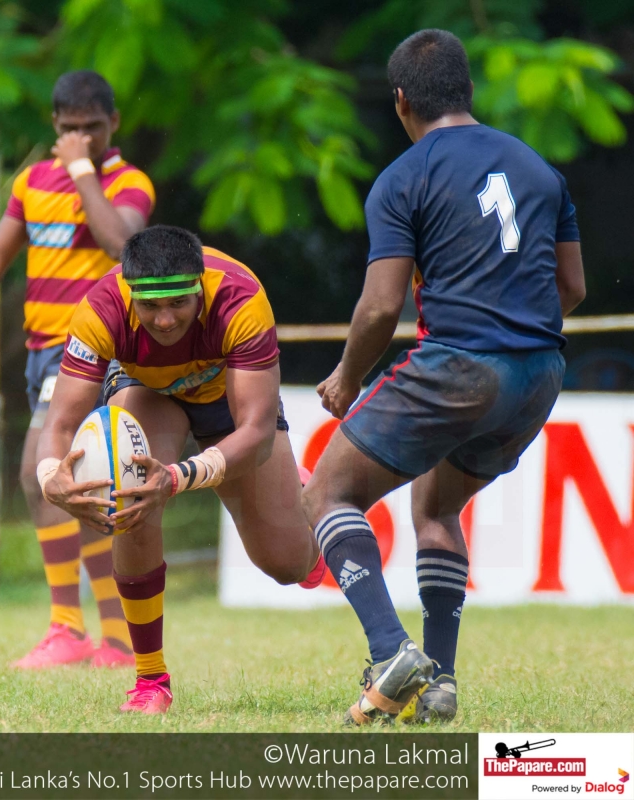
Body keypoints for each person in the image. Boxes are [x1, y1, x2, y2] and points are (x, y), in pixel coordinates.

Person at [301, 29, 586, 725]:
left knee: (328, 494)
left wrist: (346, 378)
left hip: (459, 365)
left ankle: (390, 651)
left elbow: (380, 306)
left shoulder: (404, 177)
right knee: (435, 508)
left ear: (401, 101)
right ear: (468, 90)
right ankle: (439, 685)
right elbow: (572, 288)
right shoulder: (541, 170)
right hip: (539, 373)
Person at [0, 71, 155, 669]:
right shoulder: (32, 182)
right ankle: (113, 639)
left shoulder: (129, 182)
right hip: (44, 353)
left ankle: (72, 628)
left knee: (40, 470)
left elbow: (121, 244)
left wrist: (84, 171)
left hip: (96, 353)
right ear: (54, 125)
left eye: (93, 128)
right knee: (79, 483)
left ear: (114, 124)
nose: (81, 138)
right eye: (70, 129)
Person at [35, 225, 325, 714]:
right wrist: (51, 479)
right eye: (150, 307)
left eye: (178, 304)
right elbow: (59, 424)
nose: (165, 320)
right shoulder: (101, 309)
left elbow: (255, 432)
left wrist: (178, 476)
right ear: (130, 294)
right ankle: (150, 679)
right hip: (146, 390)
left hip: (228, 399)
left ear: (200, 288)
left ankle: (301, 494)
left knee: (287, 564)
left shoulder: (240, 298)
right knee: (131, 495)